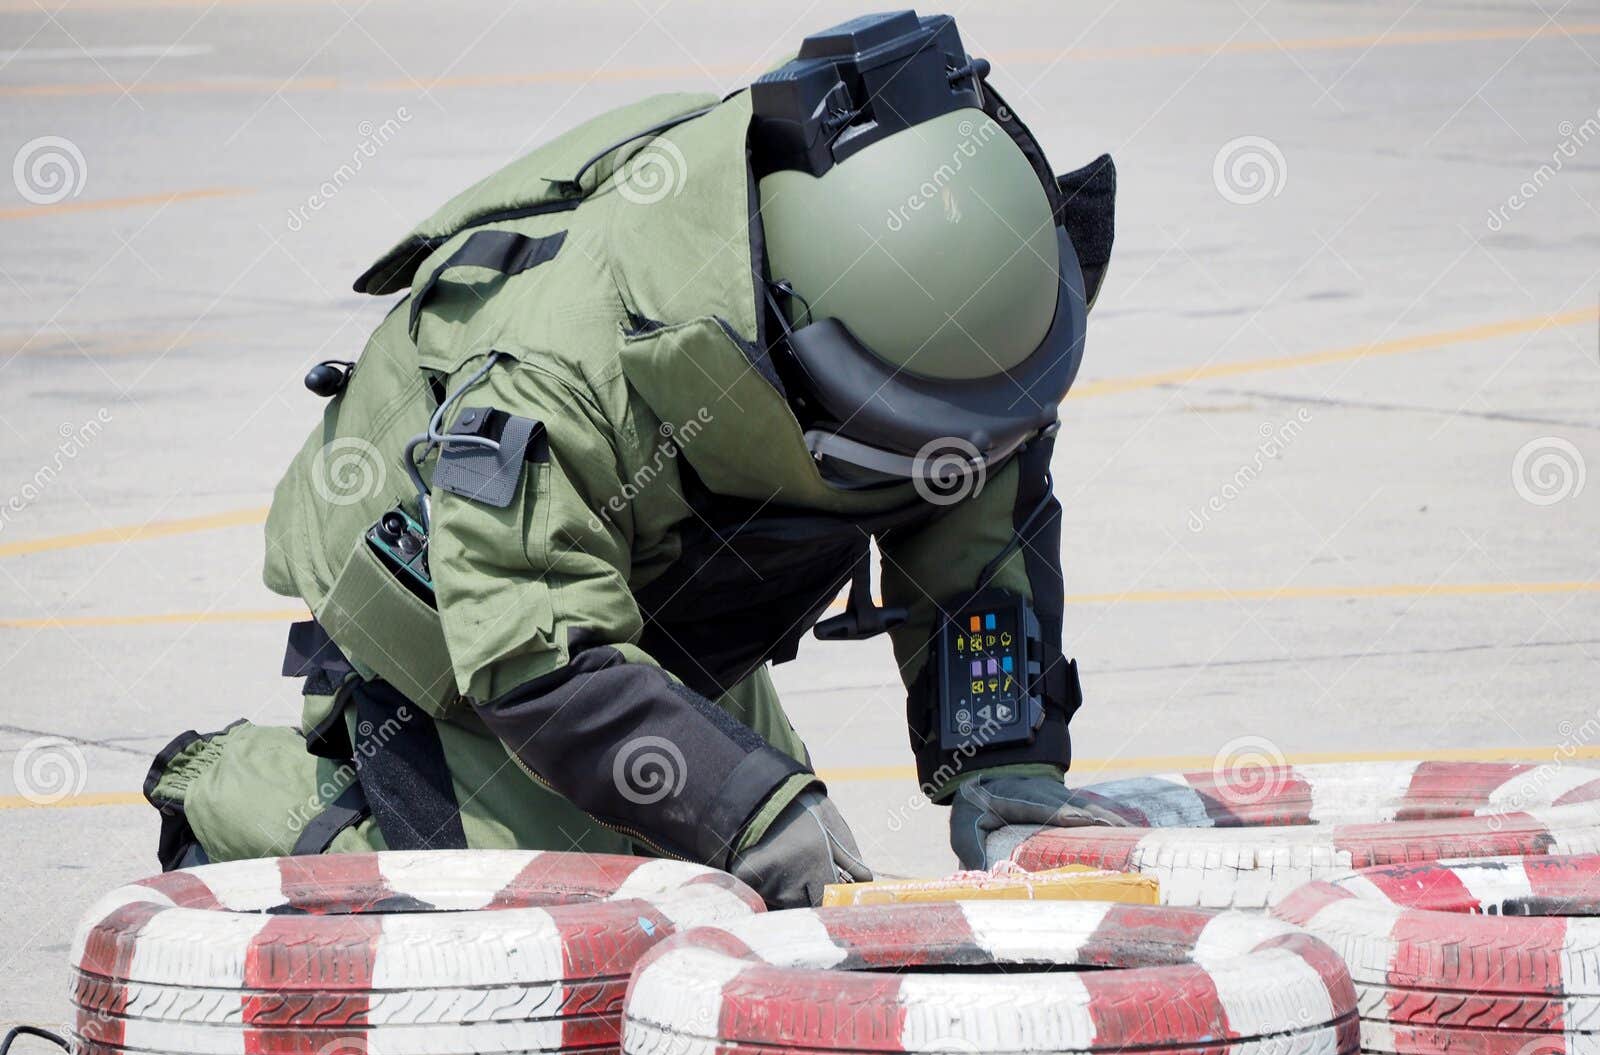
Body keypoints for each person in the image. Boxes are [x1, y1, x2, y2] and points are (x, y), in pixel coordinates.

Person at [143, 10, 1119, 909]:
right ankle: (233, 789)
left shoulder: (923, 329)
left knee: (755, 885)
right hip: (456, 613)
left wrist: (1007, 771)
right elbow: (536, 651)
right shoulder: (544, 378)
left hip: (660, 582)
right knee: (537, 930)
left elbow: (976, 546)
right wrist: (752, 814)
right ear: (789, 353)